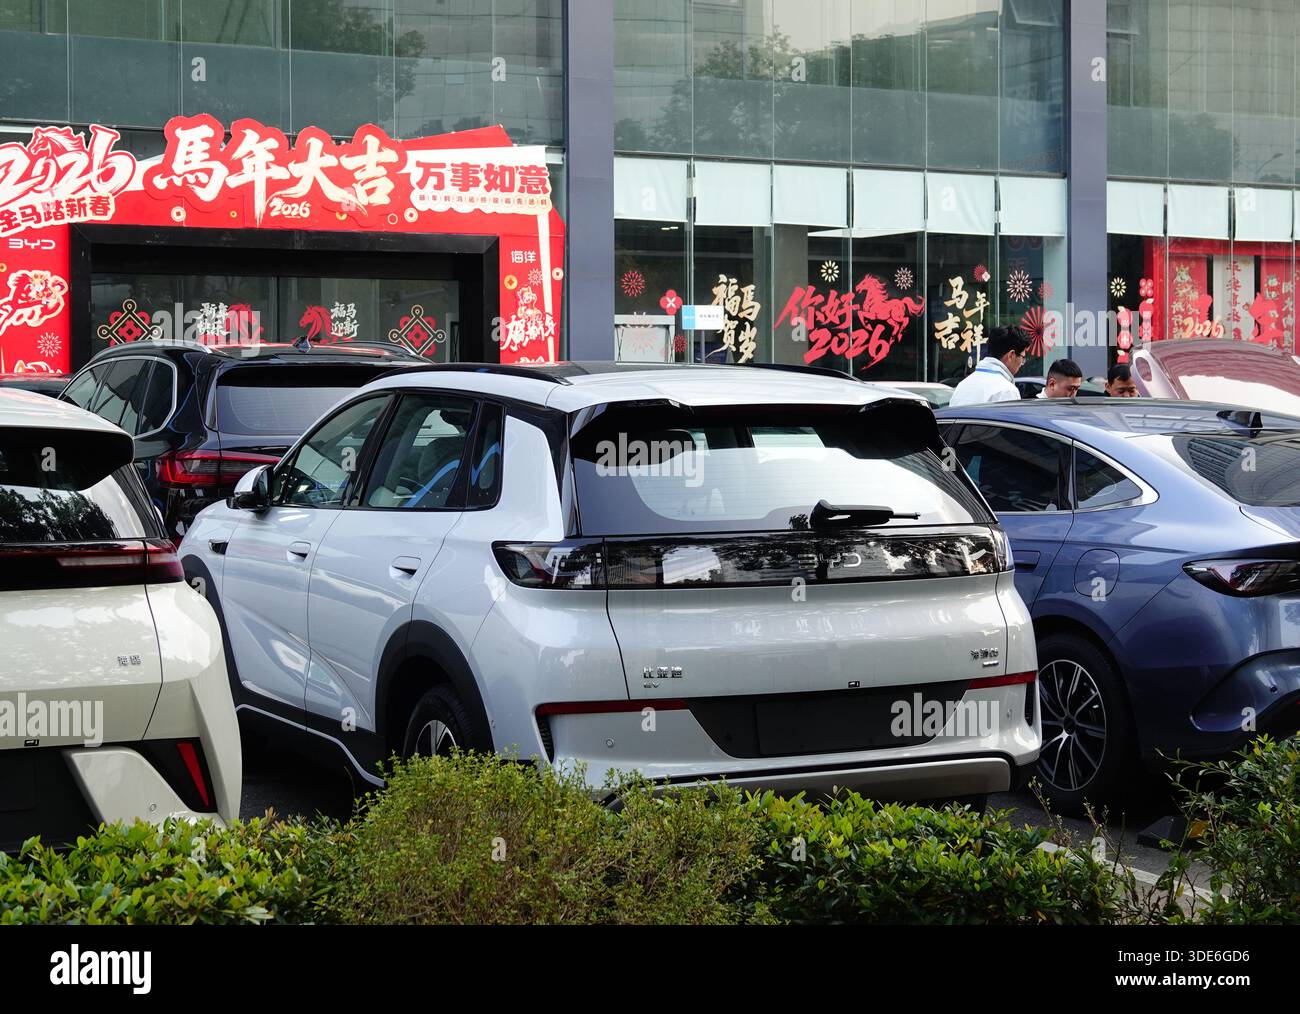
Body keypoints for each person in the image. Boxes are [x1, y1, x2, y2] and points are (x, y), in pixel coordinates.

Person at [948, 327, 1029, 407]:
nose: (1022, 363)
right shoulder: (1006, 391)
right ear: (1011, 355)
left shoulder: (963, 385)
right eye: (1022, 357)